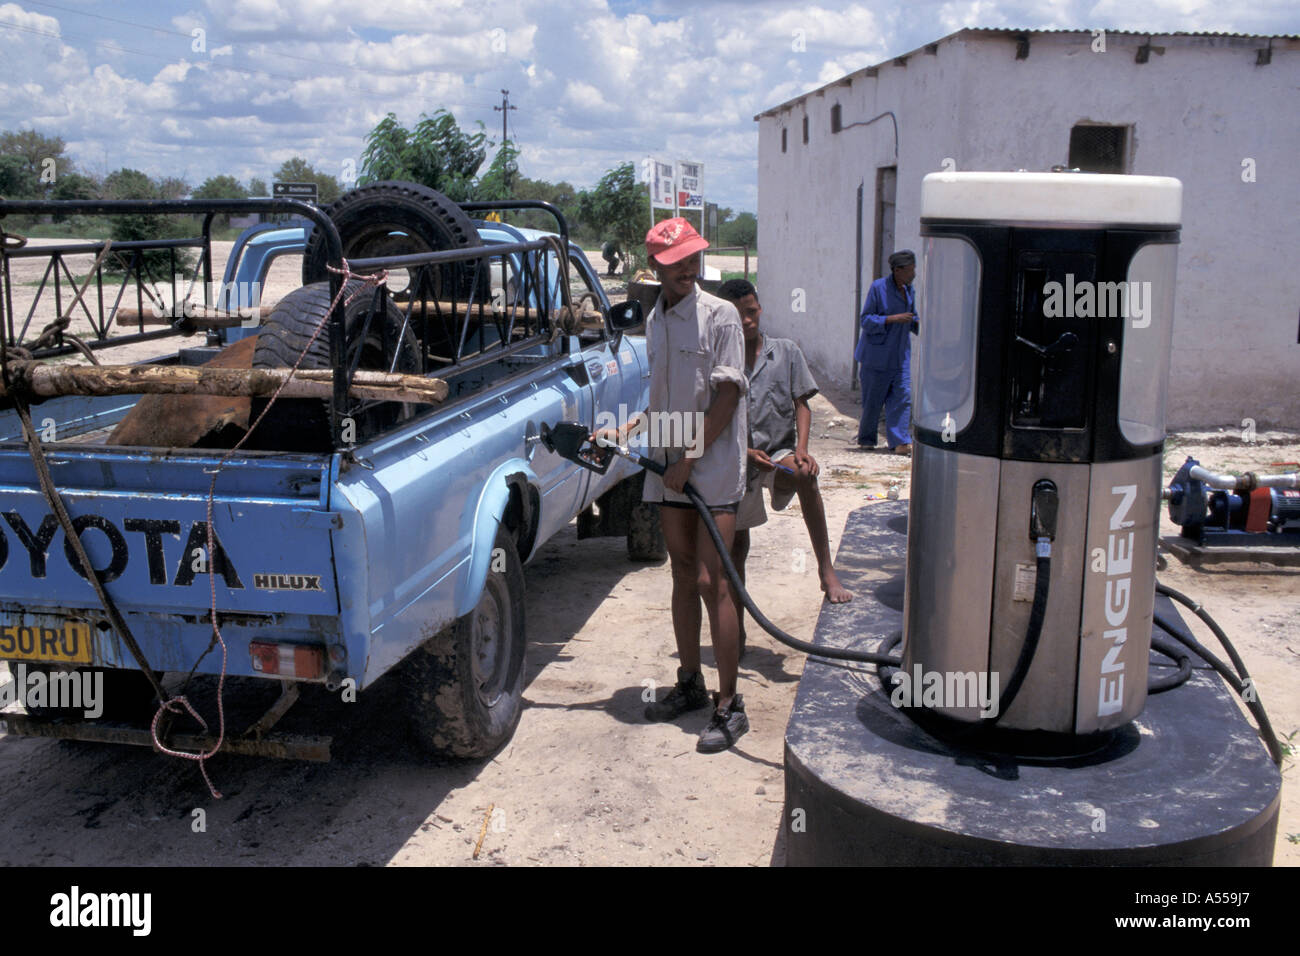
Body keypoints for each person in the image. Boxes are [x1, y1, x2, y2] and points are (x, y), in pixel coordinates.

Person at [593, 217, 750, 753]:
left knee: (715, 582)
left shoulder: (720, 316)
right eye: (676, 260)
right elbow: (663, 402)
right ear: (656, 266)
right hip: (670, 462)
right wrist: (628, 427)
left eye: (693, 258)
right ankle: (690, 683)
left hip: (712, 463)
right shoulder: (655, 320)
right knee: (683, 575)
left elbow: (727, 398)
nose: (687, 267)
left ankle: (731, 705)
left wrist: (690, 456)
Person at [715, 279, 853, 661]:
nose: (747, 319)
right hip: (737, 458)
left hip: (778, 452)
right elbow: (710, 417)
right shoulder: (719, 359)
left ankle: (826, 570)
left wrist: (803, 449)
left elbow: (802, 404)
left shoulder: (786, 352)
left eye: (752, 310)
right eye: (739, 313)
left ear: (760, 309)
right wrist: (744, 452)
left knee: (806, 474)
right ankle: (736, 631)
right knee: (736, 547)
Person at [856, 249, 919, 454]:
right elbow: (865, 320)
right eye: (910, 270)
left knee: (902, 397)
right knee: (873, 401)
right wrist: (892, 319)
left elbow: (913, 317)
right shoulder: (878, 288)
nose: (913, 274)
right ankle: (867, 439)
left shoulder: (910, 290)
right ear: (897, 270)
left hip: (900, 355)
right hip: (877, 356)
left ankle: (899, 441)